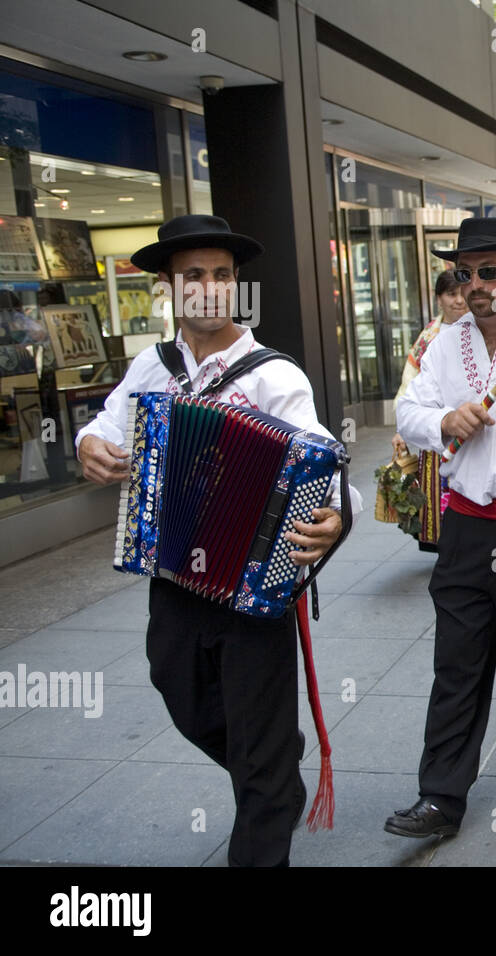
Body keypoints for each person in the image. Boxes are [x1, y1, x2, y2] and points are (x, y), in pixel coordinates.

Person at [75, 214, 357, 866]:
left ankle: (265, 798)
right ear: (170, 288)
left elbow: (324, 467)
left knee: (258, 753)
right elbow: (105, 423)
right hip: (174, 575)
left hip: (252, 588)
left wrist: (335, 514)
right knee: (180, 693)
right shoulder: (153, 365)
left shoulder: (271, 376)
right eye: (194, 275)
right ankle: (272, 770)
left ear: (235, 285)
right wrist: (91, 444)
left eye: (222, 275)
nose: (209, 286)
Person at [386, 218, 496, 839]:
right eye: (465, 273)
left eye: (490, 271)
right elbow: (407, 411)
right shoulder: (442, 342)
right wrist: (442, 421)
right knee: (456, 666)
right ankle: (440, 797)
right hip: (464, 527)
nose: (477, 284)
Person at [391, 269, 467, 457]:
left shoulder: (480, 329)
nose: (459, 300)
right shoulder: (428, 338)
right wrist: (402, 429)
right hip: (436, 433)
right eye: (451, 294)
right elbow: (409, 382)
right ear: (439, 299)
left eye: (461, 293)